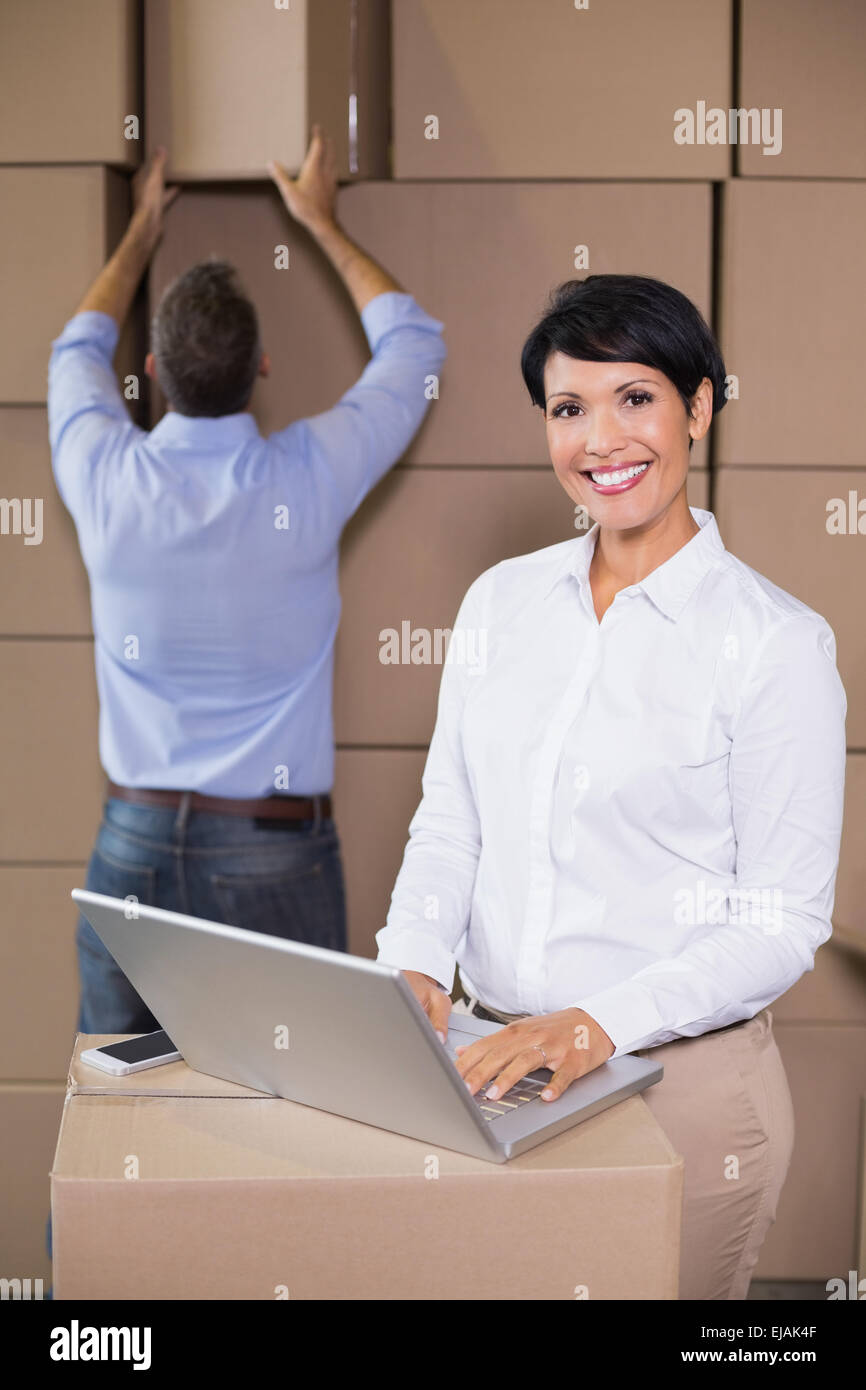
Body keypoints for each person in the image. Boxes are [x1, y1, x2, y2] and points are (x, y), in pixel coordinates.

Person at [375, 273, 846, 1300]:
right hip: (485, 1064)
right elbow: (452, 817)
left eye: (635, 397)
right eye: (568, 409)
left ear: (700, 406)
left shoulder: (774, 646)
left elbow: (777, 923)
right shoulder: (500, 602)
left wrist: (592, 1024)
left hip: (677, 1089)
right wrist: (410, 957)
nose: (601, 440)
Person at [49, 128, 446, 1034]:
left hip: (134, 852)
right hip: (275, 851)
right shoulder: (307, 477)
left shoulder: (104, 477)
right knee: (288, 1132)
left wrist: (140, 231)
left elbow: (75, 348)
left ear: (149, 373)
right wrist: (320, 219)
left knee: (122, 1141)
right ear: (259, 371)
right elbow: (416, 350)